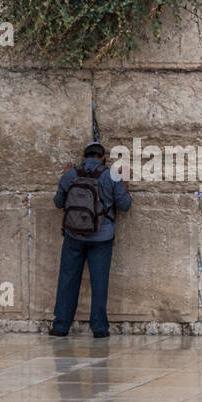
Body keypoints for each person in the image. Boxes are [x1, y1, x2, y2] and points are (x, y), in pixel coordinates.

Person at [49, 140, 132, 339]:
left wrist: (64, 176)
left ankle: (60, 326)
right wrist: (125, 184)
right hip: (101, 237)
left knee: (67, 280)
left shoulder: (70, 175)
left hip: (73, 235)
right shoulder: (111, 175)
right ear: (102, 157)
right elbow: (125, 205)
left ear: (84, 156)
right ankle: (100, 328)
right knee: (99, 282)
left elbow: (58, 202)